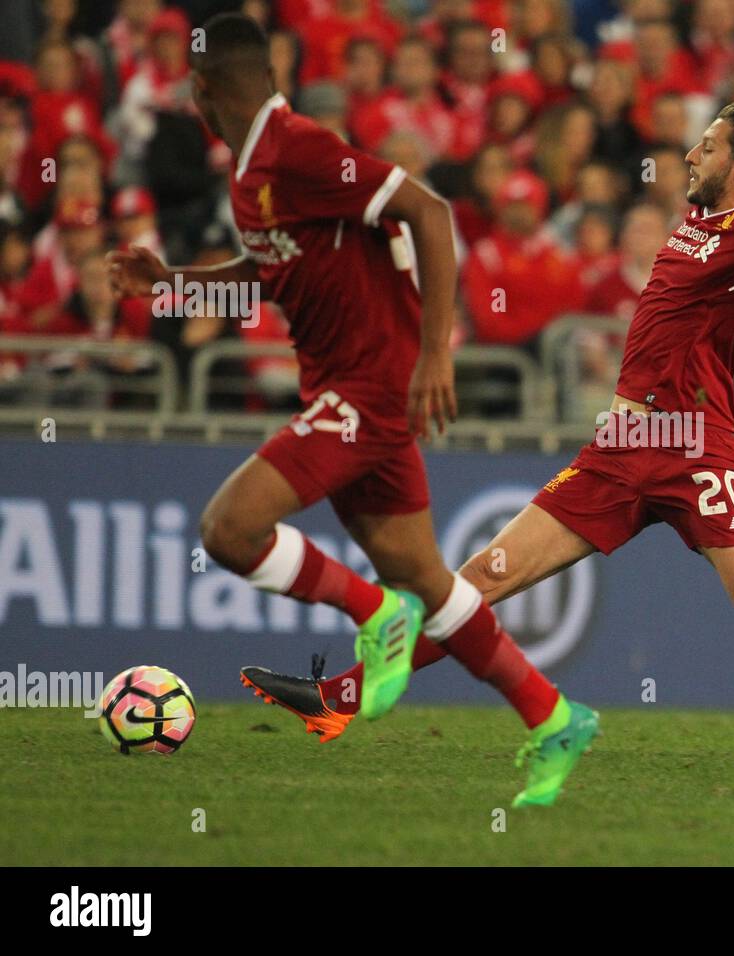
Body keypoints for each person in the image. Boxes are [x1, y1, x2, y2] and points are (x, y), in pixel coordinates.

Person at [250, 97, 734, 775]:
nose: (688, 155)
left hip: (695, 448)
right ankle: (338, 699)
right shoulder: (717, 221)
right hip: (616, 453)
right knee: (483, 577)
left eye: (705, 147)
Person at [106, 13, 595, 809]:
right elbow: (272, 270)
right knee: (430, 581)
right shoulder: (251, 168)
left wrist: (436, 351)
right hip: (347, 387)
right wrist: (174, 283)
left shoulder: (300, 148)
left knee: (228, 531)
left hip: (369, 389)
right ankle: (555, 717)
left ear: (202, 89)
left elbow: (430, 213)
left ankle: (373, 616)